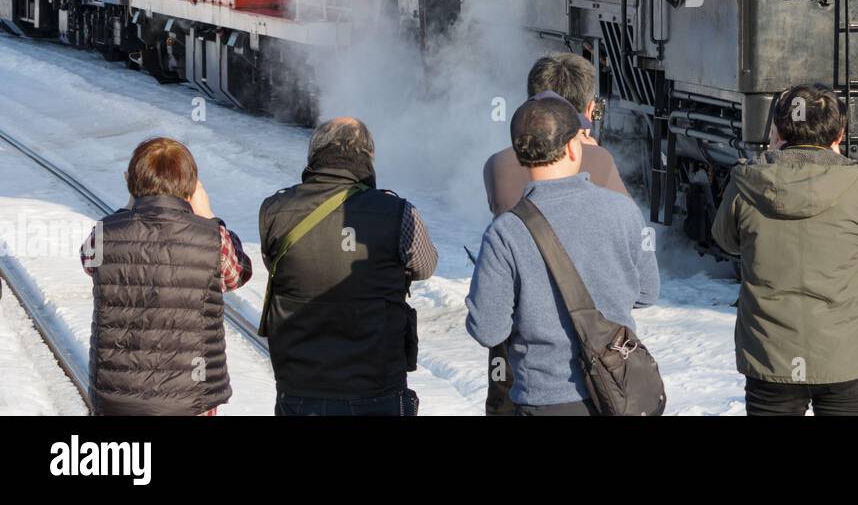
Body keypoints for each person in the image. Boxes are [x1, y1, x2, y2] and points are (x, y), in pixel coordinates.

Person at [465, 93, 660, 415]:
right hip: (618, 390)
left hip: (545, 399)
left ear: (520, 153)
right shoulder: (624, 211)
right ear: (572, 147)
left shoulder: (505, 232)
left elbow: (488, 330)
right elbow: (647, 292)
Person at [711, 83, 858, 416]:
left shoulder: (746, 183)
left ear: (776, 130)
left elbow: (727, 240)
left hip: (771, 353)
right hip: (845, 355)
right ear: (839, 136)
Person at [259, 117, 437, 416]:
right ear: (368, 156)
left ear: (314, 155)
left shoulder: (275, 210)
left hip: (301, 389)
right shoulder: (398, 212)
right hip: (377, 389)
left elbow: (274, 264)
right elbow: (425, 266)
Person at [80, 137, 252, 416]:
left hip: (119, 400)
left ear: (130, 182)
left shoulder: (103, 235)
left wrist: (128, 207)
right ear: (192, 187)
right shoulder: (211, 238)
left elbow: (89, 263)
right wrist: (208, 215)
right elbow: (236, 276)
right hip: (192, 400)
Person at [482, 52, 628, 216]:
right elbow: (628, 223)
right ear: (590, 110)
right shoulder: (600, 159)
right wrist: (592, 150)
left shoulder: (496, 164)